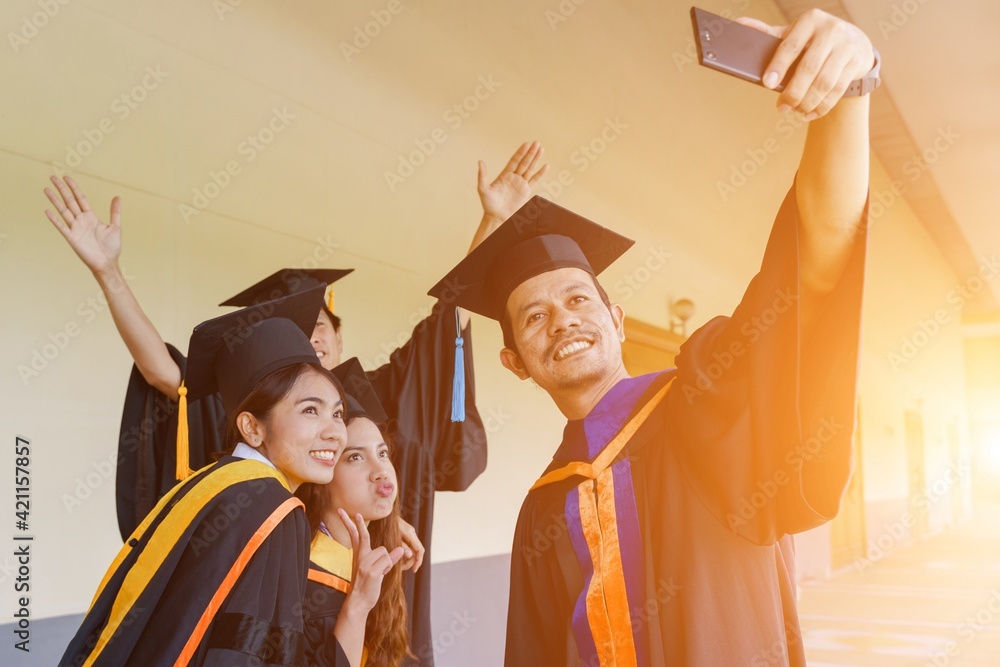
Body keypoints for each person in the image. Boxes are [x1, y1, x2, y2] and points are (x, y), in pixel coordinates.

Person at [430, 10, 876, 666]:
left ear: (615, 317)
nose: (562, 321)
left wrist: (850, 94)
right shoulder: (543, 508)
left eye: (579, 299)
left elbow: (814, 265)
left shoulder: (707, 405)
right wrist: (493, 231)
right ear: (515, 362)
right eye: (533, 318)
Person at [42, 141, 548, 664]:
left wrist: (493, 225)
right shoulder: (259, 462)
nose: (312, 342)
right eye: (311, 410)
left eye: (321, 329)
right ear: (253, 426)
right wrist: (110, 274)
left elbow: (446, 322)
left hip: (375, 589)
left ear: (339, 340)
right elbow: (165, 372)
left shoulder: (371, 392)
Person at [60, 285, 404, 666]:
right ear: (252, 428)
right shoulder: (273, 510)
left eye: (337, 413)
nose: (334, 432)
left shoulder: (214, 485)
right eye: (310, 410)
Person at [299, 358, 413, 667]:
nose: (381, 471)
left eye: (382, 453)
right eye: (355, 458)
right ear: (323, 475)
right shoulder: (300, 576)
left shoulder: (379, 556)